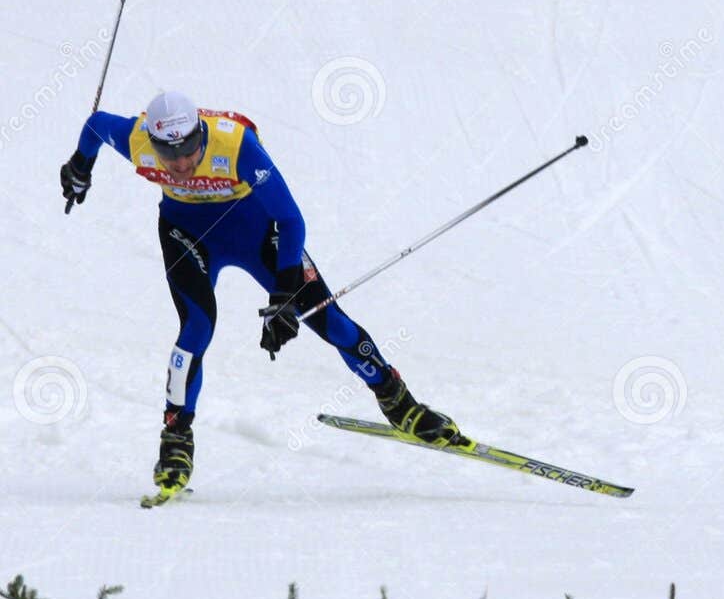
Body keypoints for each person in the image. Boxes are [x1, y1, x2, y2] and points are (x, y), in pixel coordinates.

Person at [60, 90, 459, 502]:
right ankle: (176, 439)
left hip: (256, 230)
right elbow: (95, 125)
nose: (180, 164)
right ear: (153, 143)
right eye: (168, 154)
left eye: (189, 149)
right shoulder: (136, 138)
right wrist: (80, 166)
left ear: (200, 133)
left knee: (327, 319)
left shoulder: (236, 146)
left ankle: (398, 402)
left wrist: (285, 292)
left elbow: (289, 218)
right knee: (197, 326)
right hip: (188, 233)